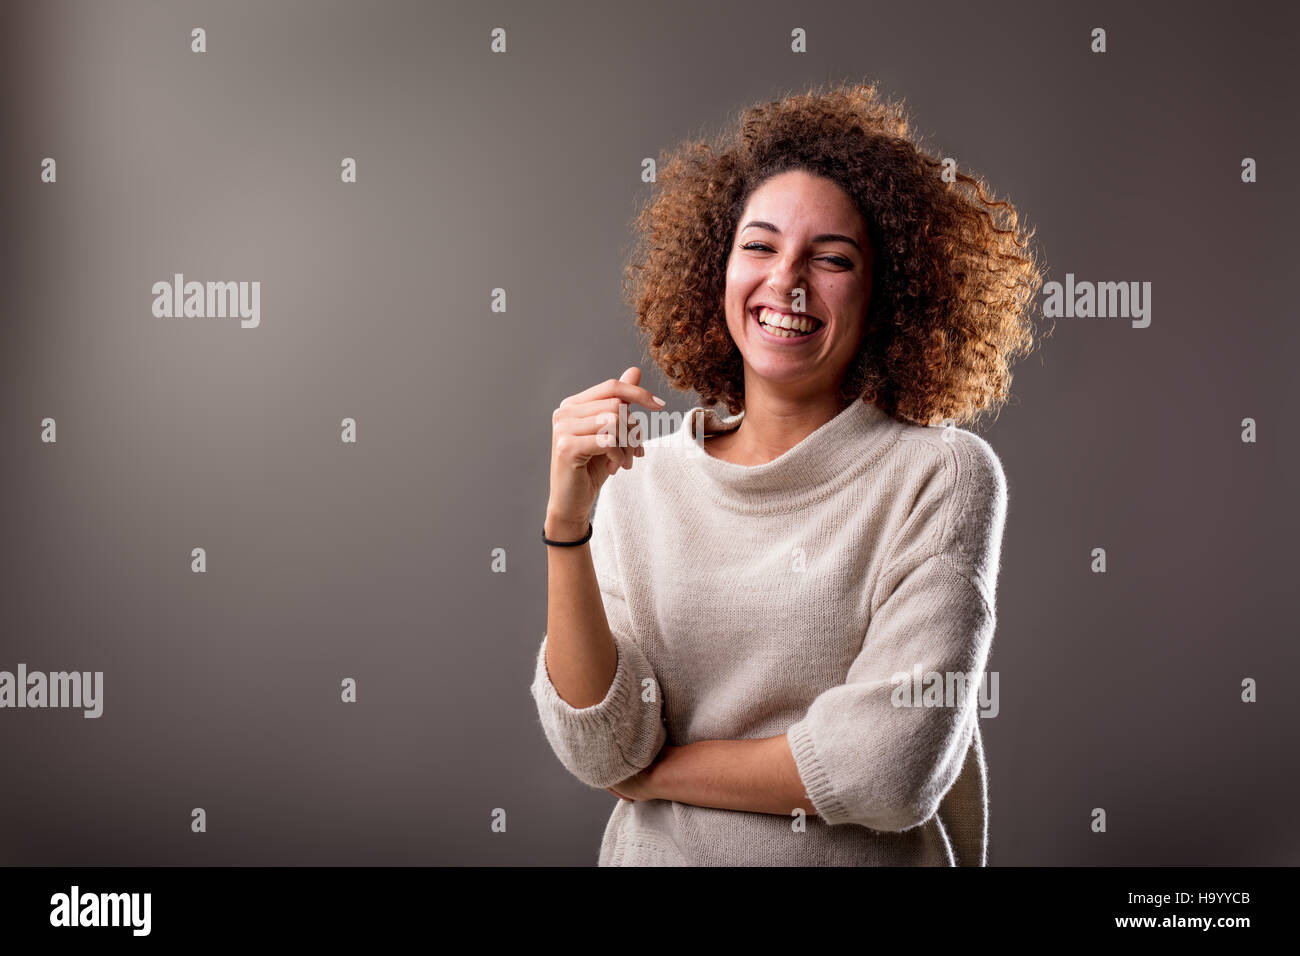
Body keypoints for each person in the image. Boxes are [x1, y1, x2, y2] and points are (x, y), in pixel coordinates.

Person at [531, 80, 1046, 865]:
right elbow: (602, 748)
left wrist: (662, 773)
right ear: (718, 267)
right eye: (760, 246)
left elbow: (891, 768)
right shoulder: (636, 475)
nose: (786, 282)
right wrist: (569, 526)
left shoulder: (938, 476)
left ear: (888, 294)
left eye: (831, 258)